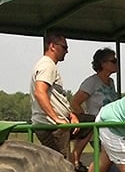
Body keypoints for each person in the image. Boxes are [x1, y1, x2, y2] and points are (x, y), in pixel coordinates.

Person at [30, 32, 87, 164]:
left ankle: (75, 161)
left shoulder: (48, 65)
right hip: (52, 126)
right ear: (52, 46)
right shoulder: (47, 65)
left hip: (54, 124)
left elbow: (55, 97)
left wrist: (70, 114)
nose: (67, 51)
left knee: (90, 123)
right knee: (61, 166)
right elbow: (40, 92)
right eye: (64, 47)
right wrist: (56, 118)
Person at [70, 47, 119, 172]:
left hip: (110, 127)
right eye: (113, 61)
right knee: (105, 159)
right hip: (97, 129)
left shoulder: (111, 82)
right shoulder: (92, 82)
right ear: (102, 64)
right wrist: (87, 123)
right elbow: (75, 103)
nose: (116, 63)